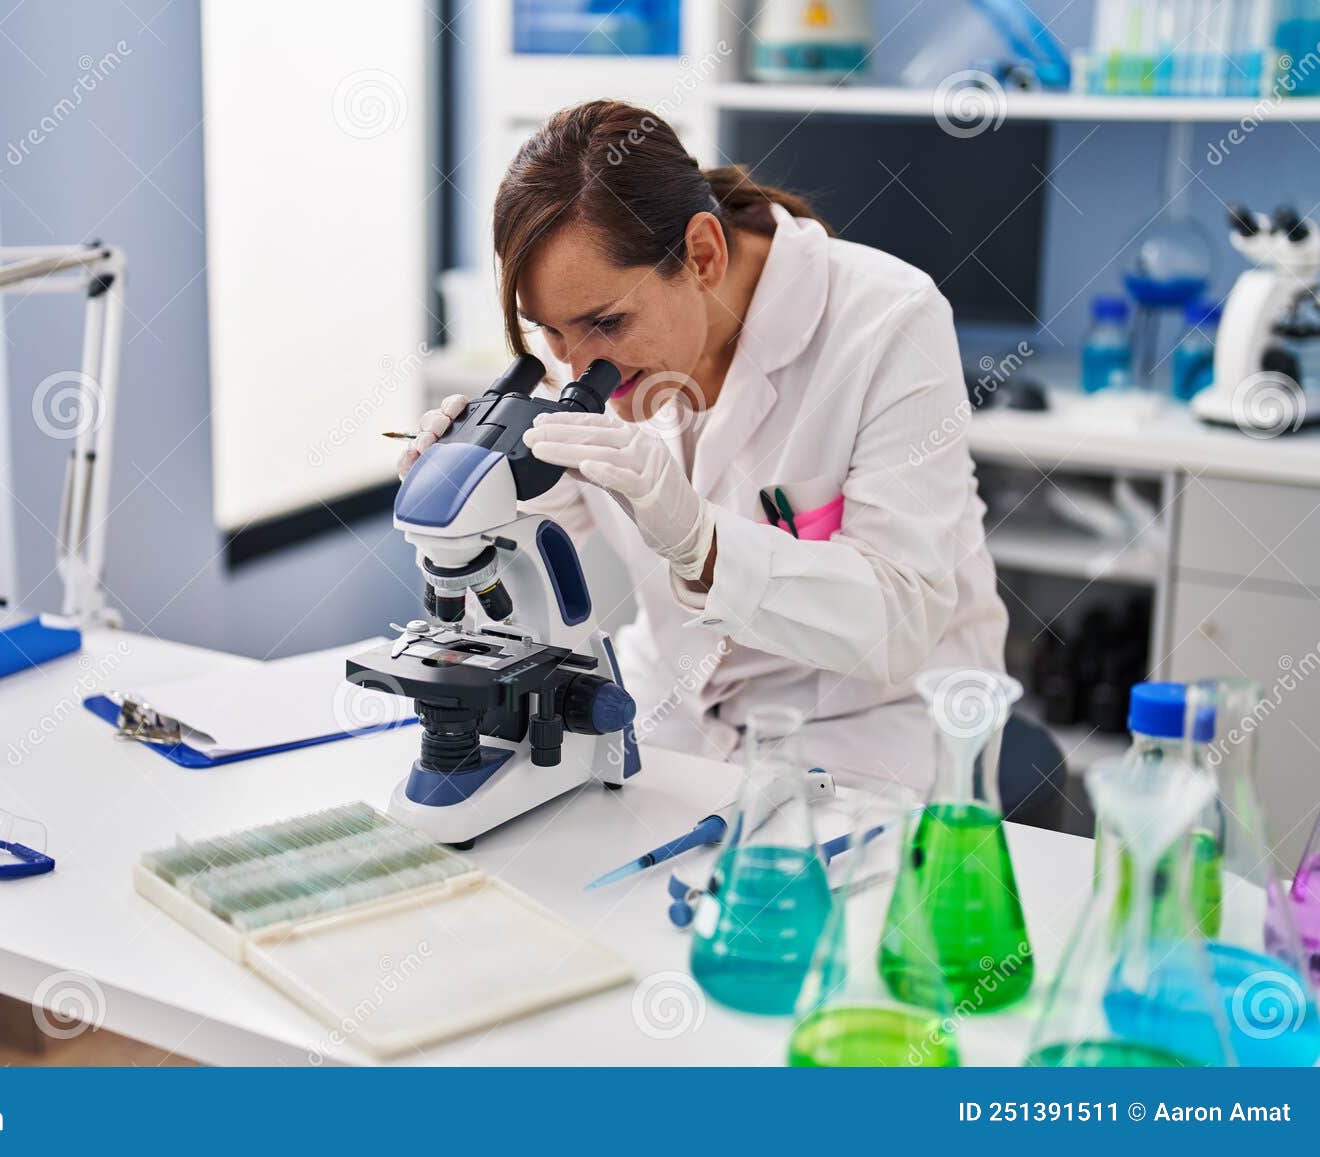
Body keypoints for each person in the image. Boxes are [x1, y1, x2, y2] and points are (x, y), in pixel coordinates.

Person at [399, 100, 1008, 786]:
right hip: (673, 713)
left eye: (605, 322)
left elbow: (901, 620)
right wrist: (467, 489)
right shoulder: (592, 354)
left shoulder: (888, 321)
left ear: (702, 254)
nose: (575, 368)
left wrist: (704, 544)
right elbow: (533, 539)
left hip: (864, 734)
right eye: (548, 329)